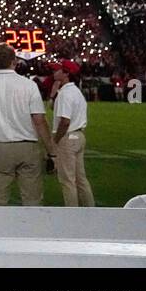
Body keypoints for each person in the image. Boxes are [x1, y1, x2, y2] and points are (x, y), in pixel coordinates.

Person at [0, 43, 56, 207]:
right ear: (14, 61)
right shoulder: (28, 85)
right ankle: (31, 232)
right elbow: (39, 120)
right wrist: (52, 152)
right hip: (27, 147)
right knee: (32, 203)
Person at [50, 59, 94, 207]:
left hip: (68, 137)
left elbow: (65, 121)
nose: (55, 72)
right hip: (79, 135)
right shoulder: (76, 92)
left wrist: (55, 140)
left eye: (58, 70)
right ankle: (91, 209)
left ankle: (71, 213)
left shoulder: (65, 94)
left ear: (66, 73)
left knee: (67, 180)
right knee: (81, 178)